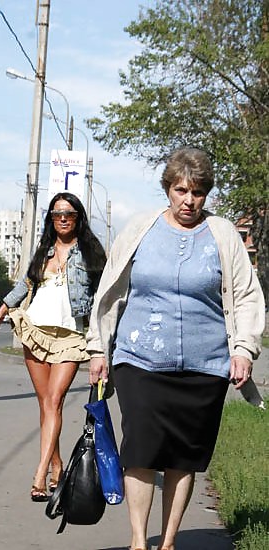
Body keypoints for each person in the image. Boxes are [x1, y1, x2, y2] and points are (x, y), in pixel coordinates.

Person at [87, 147, 265, 550]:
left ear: (206, 194)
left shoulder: (222, 235)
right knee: (142, 447)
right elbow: (110, 292)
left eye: (198, 192)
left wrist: (243, 349)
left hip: (204, 365)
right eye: (181, 190)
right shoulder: (140, 229)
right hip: (140, 358)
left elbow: (246, 294)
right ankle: (138, 540)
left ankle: (167, 542)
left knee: (183, 455)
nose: (189, 200)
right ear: (168, 188)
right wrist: (99, 349)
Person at [0, 192, 107, 502]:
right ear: (51, 219)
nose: (63, 218)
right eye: (56, 214)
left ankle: (39, 474)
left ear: (78, 217)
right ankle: (56, 466)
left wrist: (103, 341)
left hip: (70, 336)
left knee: (54, 400)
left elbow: (105, 294)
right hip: (36, 330)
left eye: (68, 213)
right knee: (45, 405)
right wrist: (0, 313)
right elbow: (25, 285)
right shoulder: (44, 251)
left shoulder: (91, 253)